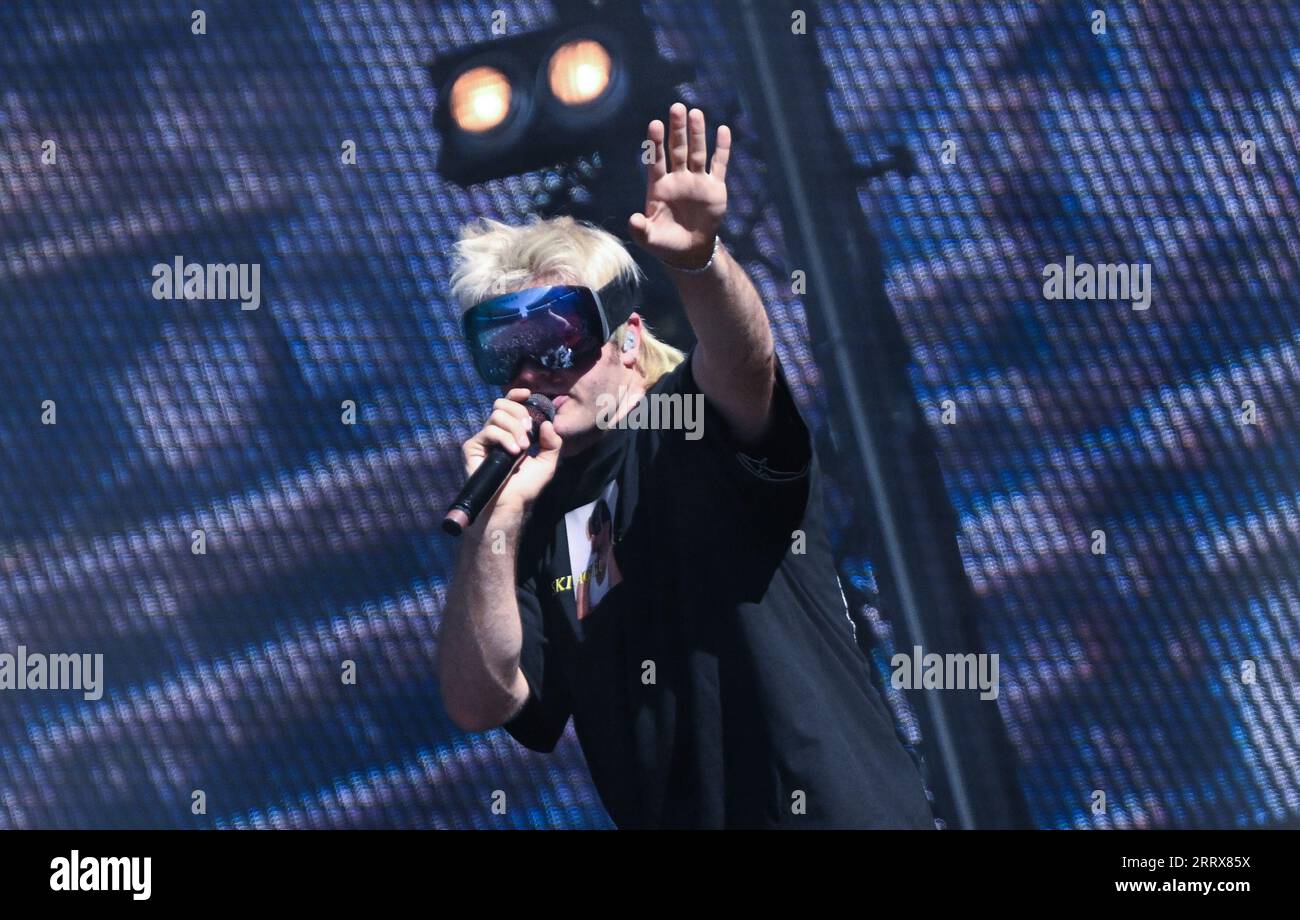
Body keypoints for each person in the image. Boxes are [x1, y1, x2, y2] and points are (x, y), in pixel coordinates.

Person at [438, 102, 935, 828]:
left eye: (557, 340)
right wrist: (493, 523)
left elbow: (744, 361)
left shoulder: (687, 424)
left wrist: (699, 261)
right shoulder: (534, 526)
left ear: (627, 340)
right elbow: (480, 699)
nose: (534, 372)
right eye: (507, 353)